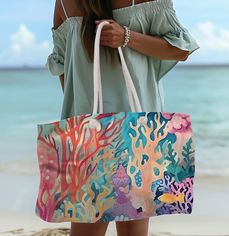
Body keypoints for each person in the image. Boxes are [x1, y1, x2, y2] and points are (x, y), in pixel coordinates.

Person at [41, 0, 200, 235]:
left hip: (92, 130)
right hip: (138, 130)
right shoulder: (65, 3)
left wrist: (126, 37)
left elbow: (180, 49)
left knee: (93, 225)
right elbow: (63, 64)